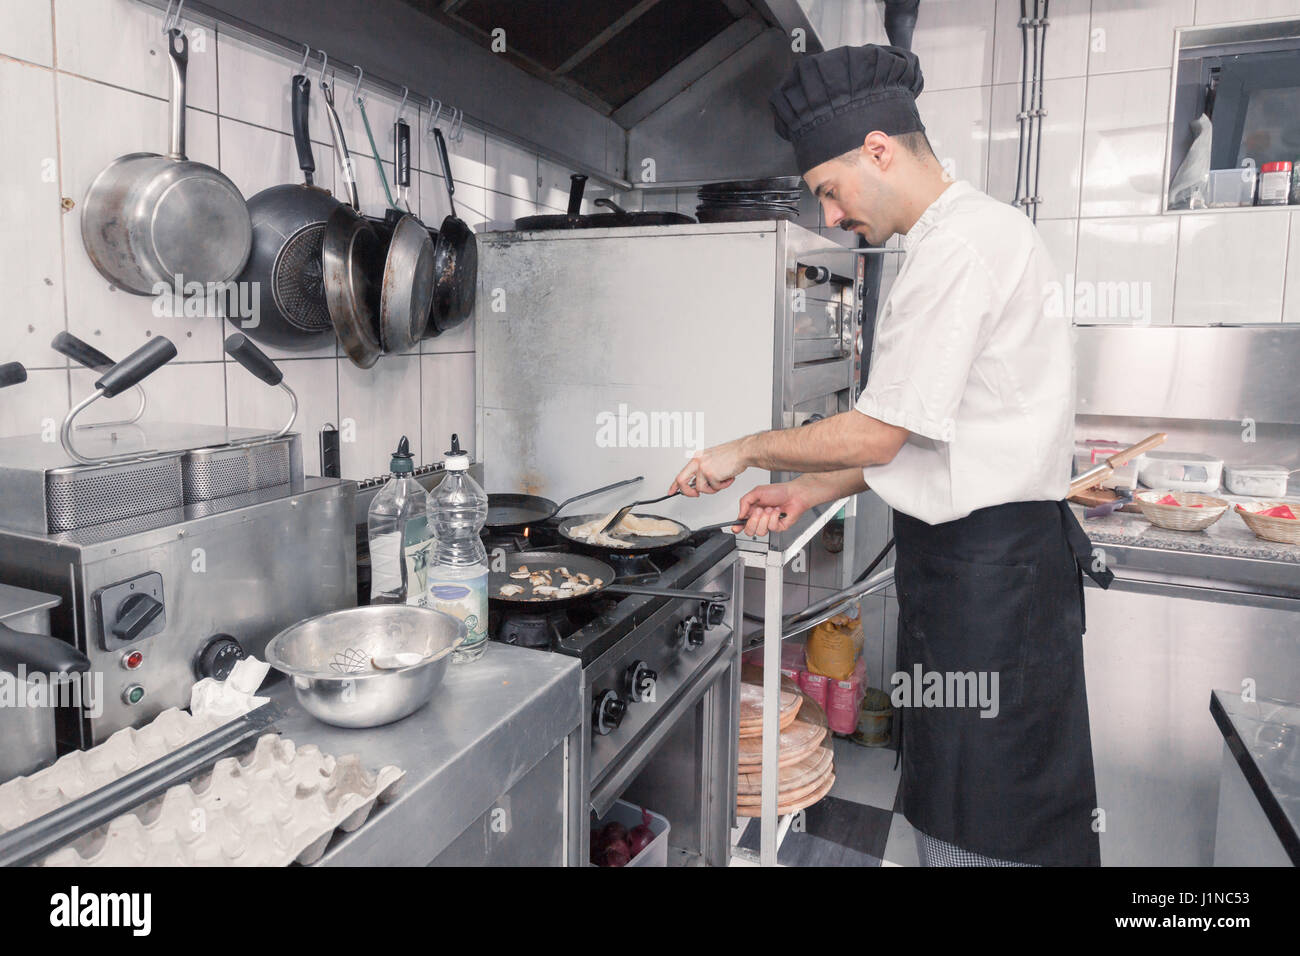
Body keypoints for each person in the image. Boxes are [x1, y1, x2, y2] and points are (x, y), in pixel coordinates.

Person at [671, 44, 1112, 867]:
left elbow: (876, 430)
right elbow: (919, 434)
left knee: (988, 824)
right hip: (982, 579)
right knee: (959, 804)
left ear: (878, 150)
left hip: (993, 591)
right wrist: (806, 490)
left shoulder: (960, 247)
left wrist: (745, 449)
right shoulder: (968, 234)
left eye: (829, 193)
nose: (831, 218)